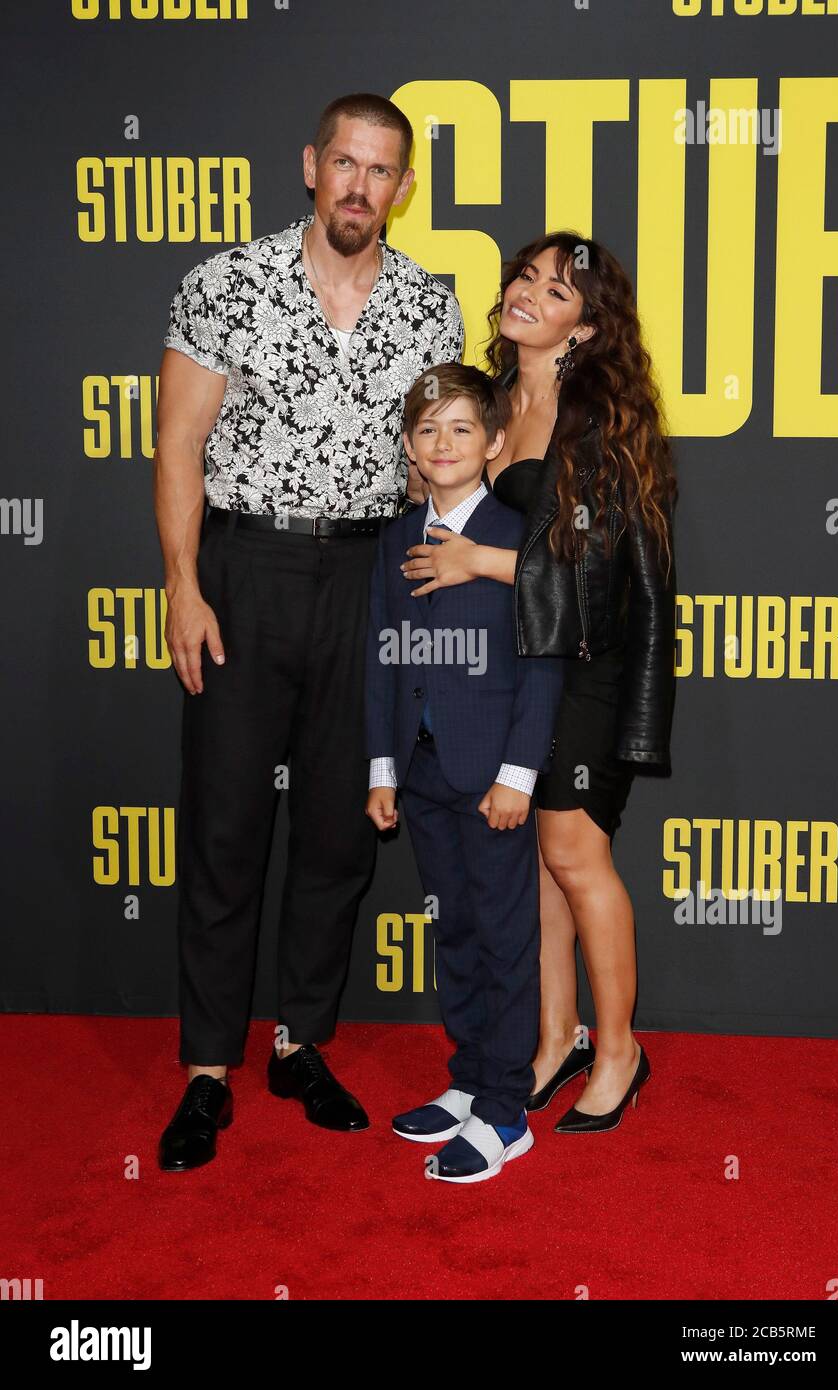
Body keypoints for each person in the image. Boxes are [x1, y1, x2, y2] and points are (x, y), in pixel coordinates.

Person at [153, 93, 464, 1172]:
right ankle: (205, 1068)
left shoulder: (432, 305)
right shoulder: (224, 282)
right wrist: (185, 584)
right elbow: (179, 448)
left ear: (401, 188)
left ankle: (297, 1042)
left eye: (381, 172)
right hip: (249, 565)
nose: (358, 187)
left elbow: (445, 457)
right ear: (309, 164)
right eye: (344, 163)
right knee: (227, 824)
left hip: (371, 576)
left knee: (337, 827)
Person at [399, 233, 677, 1134]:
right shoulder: (492, 399)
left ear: (587, 326)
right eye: (525, 276)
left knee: (573, 854)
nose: (527, 294)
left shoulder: (593, 420)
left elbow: (591, 567)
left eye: (555, 290)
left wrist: (477, 558)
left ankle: (622, 1049)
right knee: (539, 865)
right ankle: (555, 1035)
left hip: (590, 666)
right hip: (520, 669)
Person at [365, 363, 563, 1183]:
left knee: (507, 937)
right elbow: (381, 661)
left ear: (492, 442)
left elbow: (544, 667)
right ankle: (472, 1079)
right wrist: (382, 767)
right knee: (457, 931)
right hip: (423, 776)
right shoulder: (393, 540)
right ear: (408, 445)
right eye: (426, 429)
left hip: (493, 780)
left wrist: (518, 774)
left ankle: (507, 1111)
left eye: (460, 428)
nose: (443, 444)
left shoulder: (521, 539)